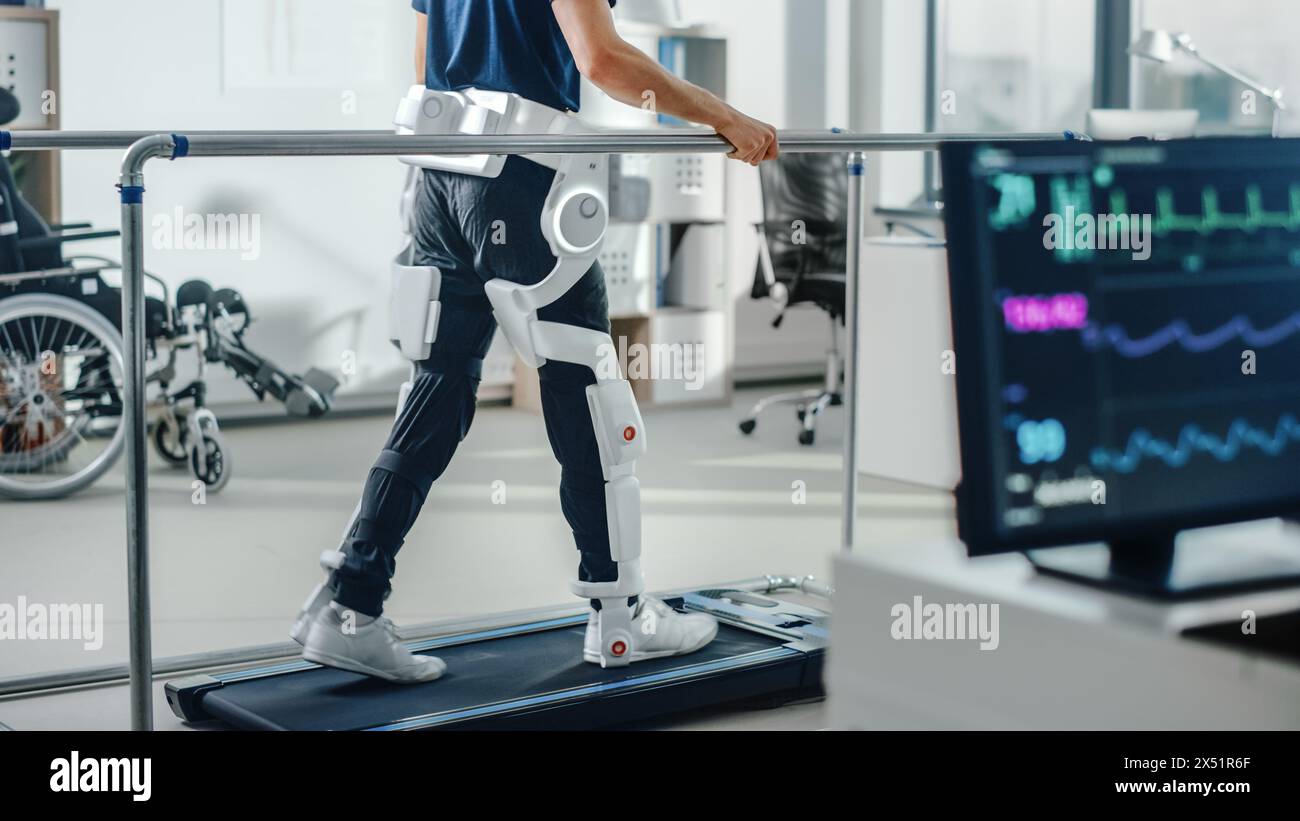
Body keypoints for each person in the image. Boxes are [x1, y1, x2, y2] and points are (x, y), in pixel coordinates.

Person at [299, 0, 780, 682]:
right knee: (587, 387)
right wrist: (722, 116)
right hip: (523, 176)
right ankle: (622, 614)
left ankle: (350, 603)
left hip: (440, 171)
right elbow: (602, 60)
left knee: (437, 388)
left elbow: (425, 55)